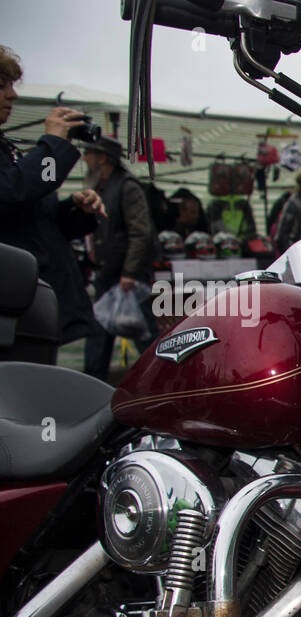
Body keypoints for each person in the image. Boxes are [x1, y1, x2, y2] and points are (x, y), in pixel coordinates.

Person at [0, 45, 103, 353]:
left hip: (31, 306)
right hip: (10, 313)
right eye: (1, 85)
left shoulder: (6, 149)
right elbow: (15, 190)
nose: (13, 95)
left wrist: (75, 209)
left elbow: (33, 214)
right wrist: (53, 145)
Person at [81, 136, 160, 380]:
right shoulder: (102, 188)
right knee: (100, 335)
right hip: (108, 273)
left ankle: (161, 382)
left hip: (127, 276)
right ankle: (92, 386)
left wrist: (130, 273)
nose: (85, 158)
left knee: (145, 336)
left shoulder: (127, 186)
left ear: (102, 157)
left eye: (89, 153)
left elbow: (141, 232)